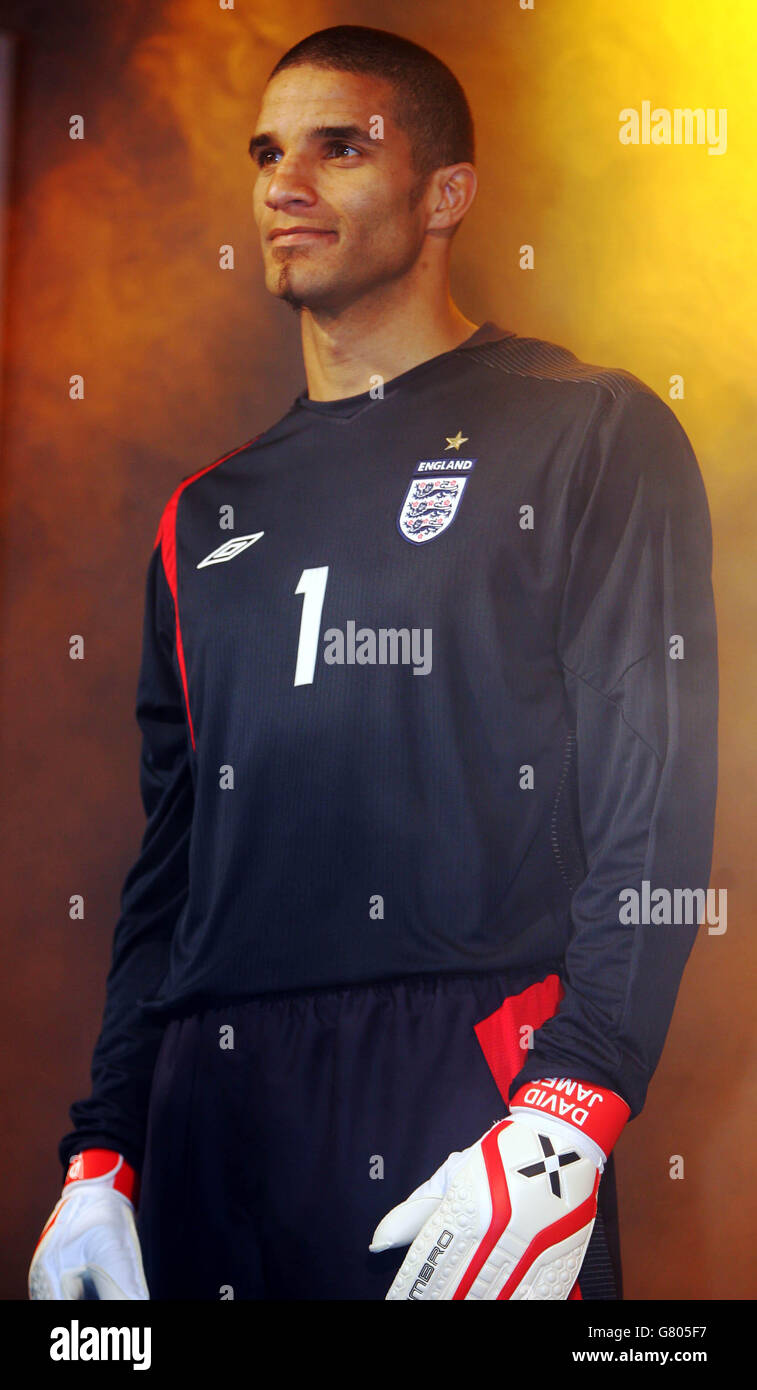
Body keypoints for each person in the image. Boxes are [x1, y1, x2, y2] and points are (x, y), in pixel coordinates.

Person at [29, 24, 717, 1302]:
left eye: (339, 147)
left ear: (445, 193)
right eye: (267, 153)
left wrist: (574, 1104)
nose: (284, 185)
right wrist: (104, 1146)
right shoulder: (206, 511)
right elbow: (168, 880)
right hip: (210, 1114)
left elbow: (655, 805)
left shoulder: (586, 430)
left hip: (465, 1093)